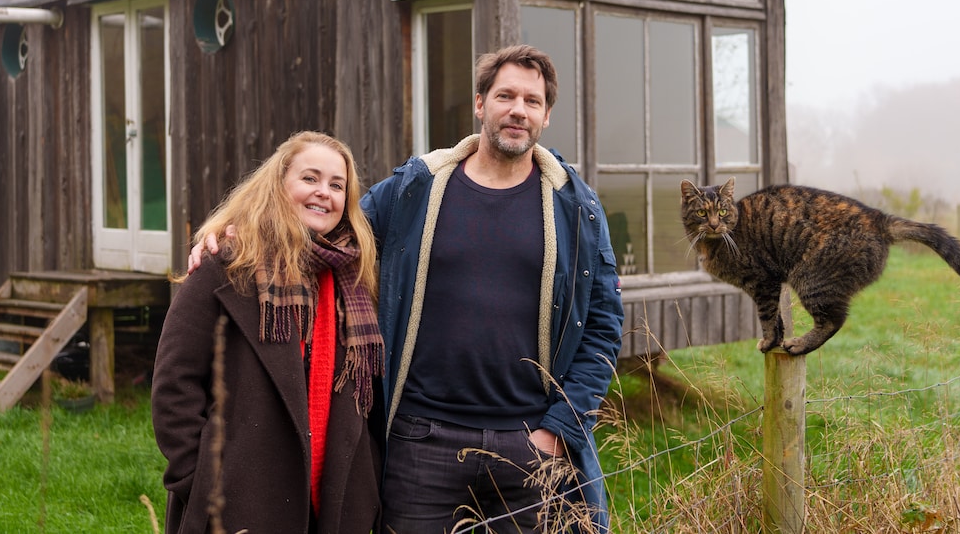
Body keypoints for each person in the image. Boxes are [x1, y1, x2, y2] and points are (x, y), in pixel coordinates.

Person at [193, 45, 624, 533]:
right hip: (422, 442)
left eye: (532, 100)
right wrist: (235, 230)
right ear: (480, 103)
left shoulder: (576, 209)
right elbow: (329, 234)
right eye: (505, 95)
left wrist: (559, 430)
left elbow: (604, 327)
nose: (517, 110)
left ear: (546, 115)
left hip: (531, 447)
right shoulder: (416, 190)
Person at [153, 131, 384, 534]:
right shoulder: (227, 266)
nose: (323, 193)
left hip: (333, 504)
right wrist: (200, 482)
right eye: (309, 179)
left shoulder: (355, 279)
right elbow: (174, 383)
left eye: (336, 185)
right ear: (279, 185)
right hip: (242, 503)